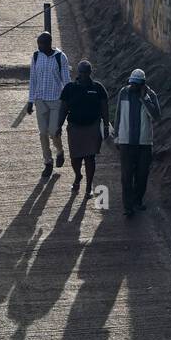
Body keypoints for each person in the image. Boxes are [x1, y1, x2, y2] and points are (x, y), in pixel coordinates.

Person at [114, 67, 161, 218]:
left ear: (143, 84)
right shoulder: (124, 93)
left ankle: (138, 200)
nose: (133, 86)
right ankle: (128, 206)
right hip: (126, 141)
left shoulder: (150, 95)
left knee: (142, 174)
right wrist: (116, 136)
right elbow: (118, 115)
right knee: (126, 176)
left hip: (144, 142)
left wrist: (144, 98)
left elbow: (156, 116)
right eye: (131, 83)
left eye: (136, 84)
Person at [59, 62, 110, 197]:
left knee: (90, 157)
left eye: (86, 73)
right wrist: (58, 126)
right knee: (75, 158)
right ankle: (78, 176)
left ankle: (88, 187)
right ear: (78, 72)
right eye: (81, 72)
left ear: (90, 72)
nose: (83, 75)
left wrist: (106, 126)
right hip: (75, 127)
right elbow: (63, 109)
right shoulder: (69, 88)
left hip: (92, 126)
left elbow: (105, 108)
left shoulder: (98, 88)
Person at [27, 31, 71, 179]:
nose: (39, 47)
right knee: (42, 133)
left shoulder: (60, 57)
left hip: (56, 100)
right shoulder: (36, 56)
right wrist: (30, 101)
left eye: (42, 44)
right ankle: (48, 162)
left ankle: (60, 151)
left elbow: (66, 80)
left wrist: (69, 100)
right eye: (38, 44)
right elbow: (33, 79)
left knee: (54, 131)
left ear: (49, 43)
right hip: (40, 100)